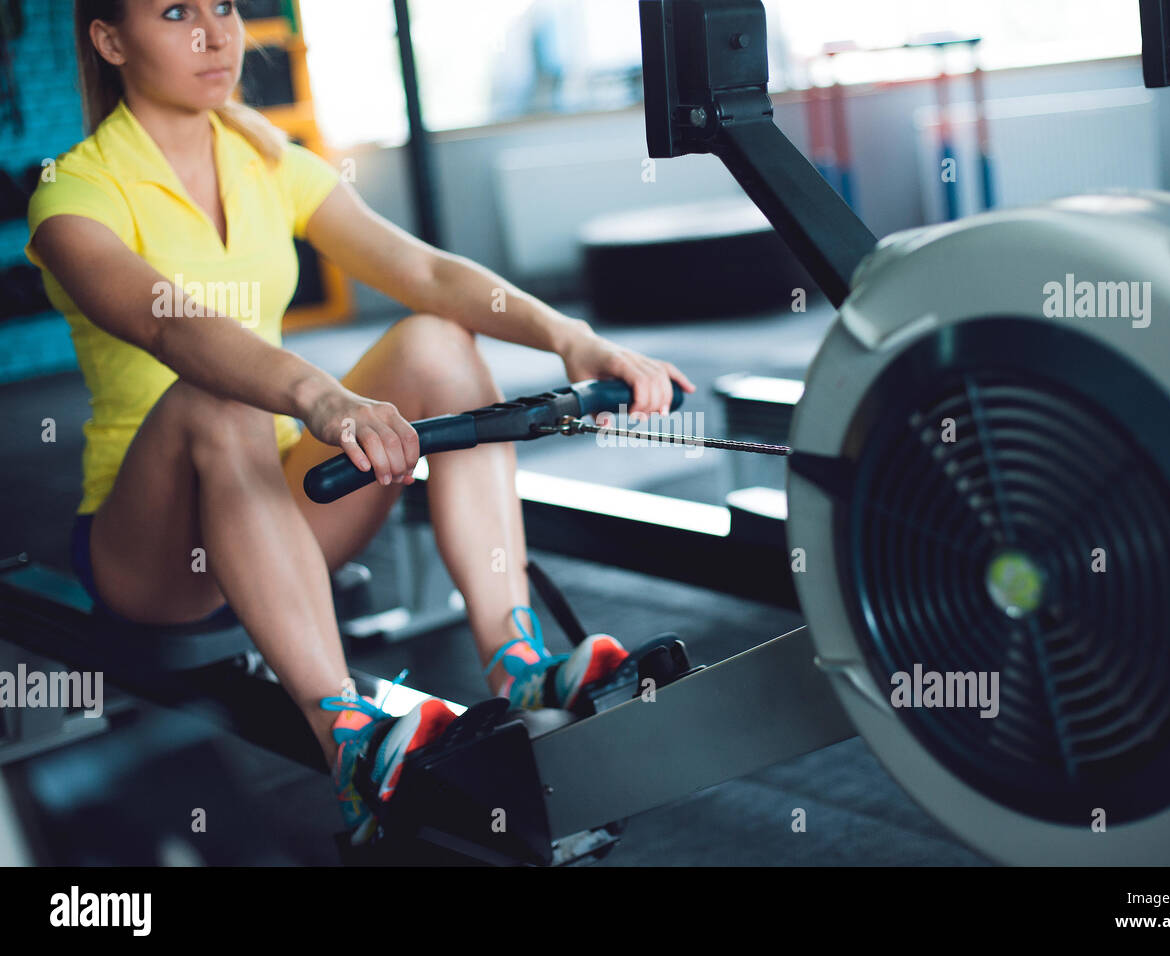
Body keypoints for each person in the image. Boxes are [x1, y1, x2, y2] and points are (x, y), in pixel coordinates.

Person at [27, 0, 695, 846]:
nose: (216, 32)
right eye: (174, 11)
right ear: (111, 40)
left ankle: (519, 662)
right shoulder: (74, 189)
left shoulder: (265, 158)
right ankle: (346, 740)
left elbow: (421, 269)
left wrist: (571, 337)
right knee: (217, 394)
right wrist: (318, 395)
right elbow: (169, 325)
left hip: (278, 515)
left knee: (435, 343)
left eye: (225, 6)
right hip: (153, 554)